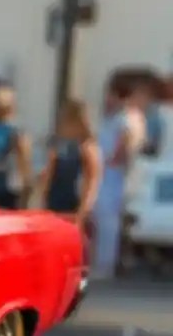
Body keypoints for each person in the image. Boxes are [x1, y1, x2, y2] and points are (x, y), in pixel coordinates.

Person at [93, 81, 147, 280]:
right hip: (107, 171)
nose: (107, 101)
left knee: (108, 221)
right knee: (103, 219)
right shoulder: (115, 118)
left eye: (110, 96)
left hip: (112, 173)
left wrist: (114, 160)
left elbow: (124, 142)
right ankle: (102, 262)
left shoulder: (124, 118)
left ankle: (105, 265)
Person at [37, 99, 101, 231]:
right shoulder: (60, 147)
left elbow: (92, 181)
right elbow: (49, 175)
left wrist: (83, 212)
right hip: (54, 205)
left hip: (73, 208)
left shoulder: (87, 148)